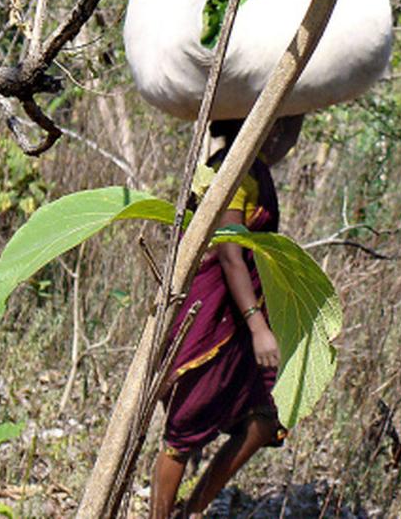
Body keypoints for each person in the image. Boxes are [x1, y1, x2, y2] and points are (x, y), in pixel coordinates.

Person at [149, 115, 303, 519]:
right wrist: (257, 326)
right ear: (266, 129)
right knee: (184, 429)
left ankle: (193, 511)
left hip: (238, 316)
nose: (291, 136)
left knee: (266, 419)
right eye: (287, 126)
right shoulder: (232, 173)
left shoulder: (254, 169)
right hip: (213, 316)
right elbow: (232, 254)